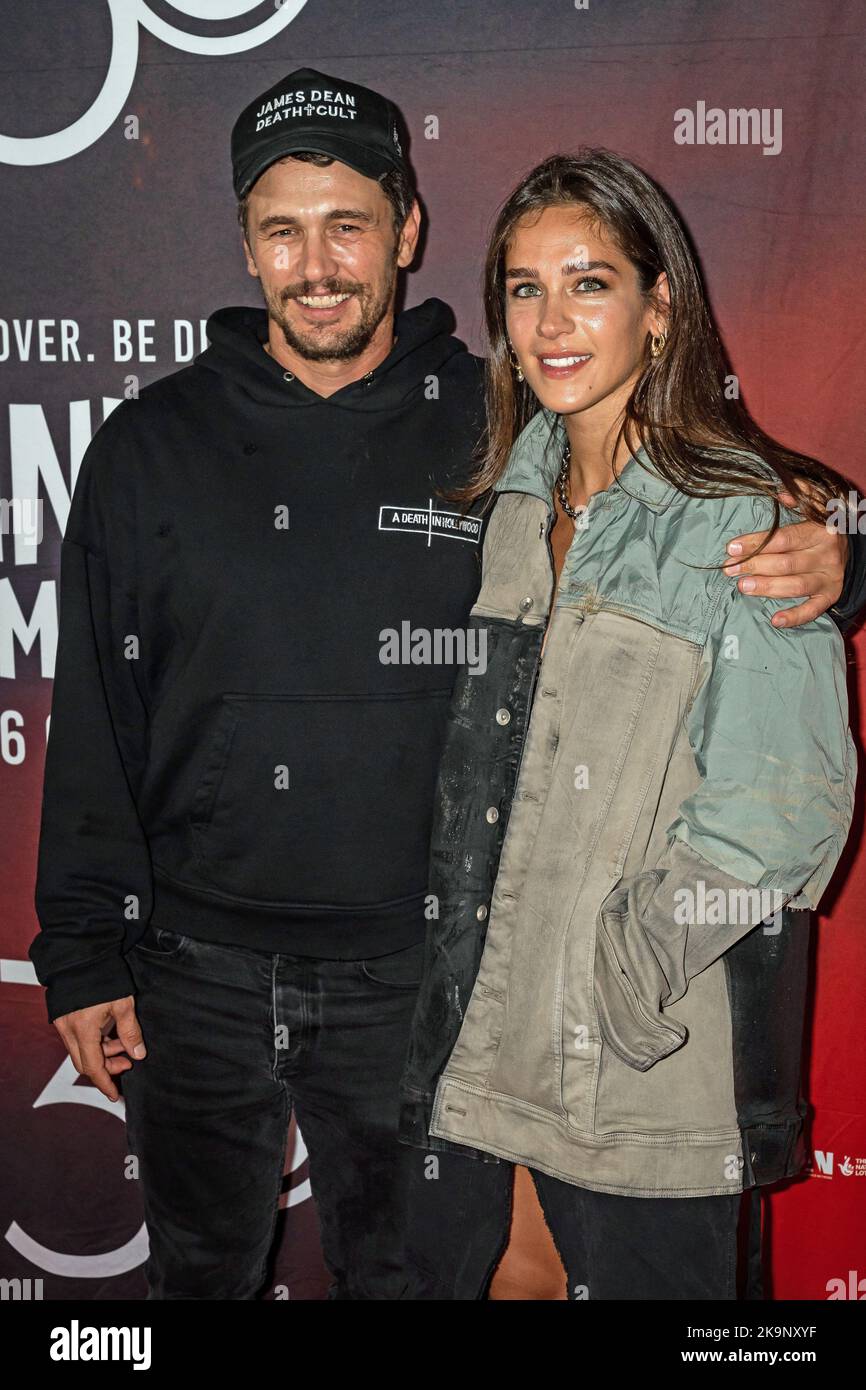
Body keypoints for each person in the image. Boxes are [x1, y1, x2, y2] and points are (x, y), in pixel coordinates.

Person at [28, 70, 861, 1300]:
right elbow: (96, 711)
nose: (317, 263)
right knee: (197, 1278)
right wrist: (82, 950)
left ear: (407, 230)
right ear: (244, 241)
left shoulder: (485, 425)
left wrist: (845, 551)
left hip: (420, 985)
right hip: (192, 975)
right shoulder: (160, 446)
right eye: (282, 226)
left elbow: (727, 504)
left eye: (349, 222)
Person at [397, 149, 858, 1301]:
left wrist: (623, 965)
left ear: (659, 310)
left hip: (645, 1067)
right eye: (522, 287)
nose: (551, 319)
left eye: (588, 282)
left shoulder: (743, 515)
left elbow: (785, 805)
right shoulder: (509, 503)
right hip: (485, 1041)